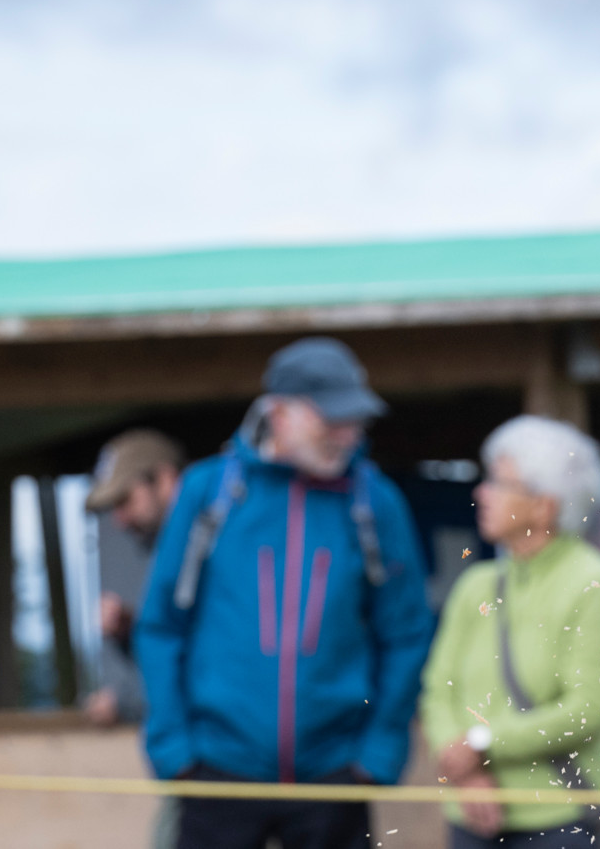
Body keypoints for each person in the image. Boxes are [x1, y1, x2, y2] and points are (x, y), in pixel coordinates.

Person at [136, 337, 434, 849]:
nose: (347, 435)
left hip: (335, 772)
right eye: (331, 420)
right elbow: (161, 624)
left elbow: (406, 633)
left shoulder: (375, 502)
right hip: (217, 769)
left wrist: (379, 750)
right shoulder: (208, 492)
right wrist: (174, 748)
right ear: (278, 413)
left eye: (354, 420)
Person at [421, 416, 600, 849]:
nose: (481, 492)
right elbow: (436, 689)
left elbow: (588, 708)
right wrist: (465, 770)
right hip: (472, 814)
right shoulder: (475, 585)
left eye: (500, 482)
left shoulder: (595, 584)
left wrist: (482, 743)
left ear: (545, 505)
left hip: (563, 820)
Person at [84, 429, 186, 730]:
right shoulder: (166, 554)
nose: (119, 519)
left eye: (126, 499)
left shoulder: (223, 548)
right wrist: (131, 632)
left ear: (166, 481)